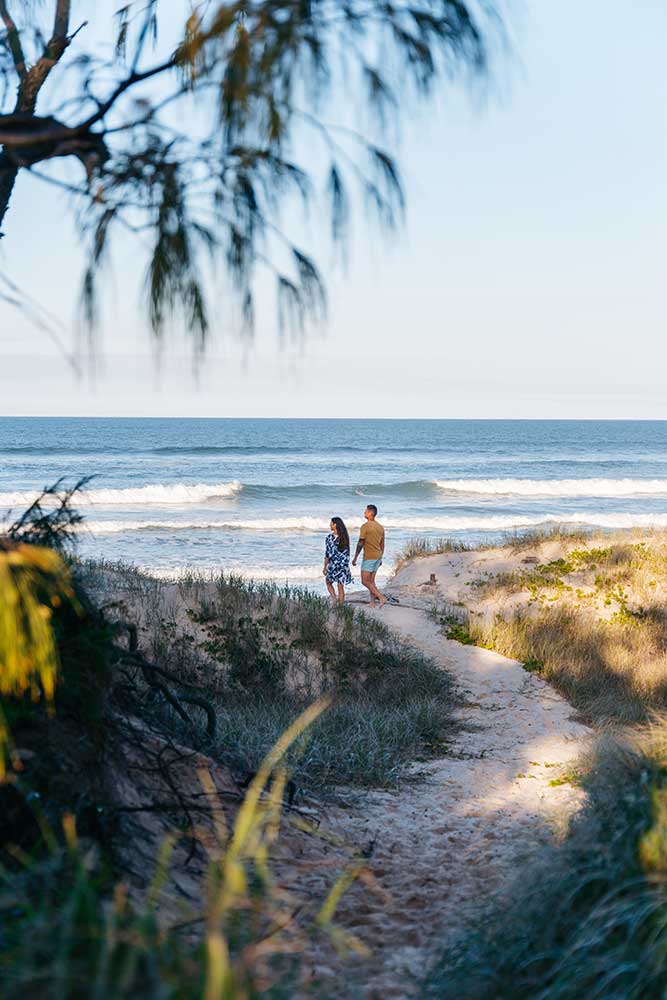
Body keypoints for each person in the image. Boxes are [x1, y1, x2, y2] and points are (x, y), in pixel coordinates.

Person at [352, 504, 387, 608]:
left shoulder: (365, 526)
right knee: (371, 581)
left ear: (371, 513)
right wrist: (381, 557)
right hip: (378, 556)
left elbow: (361, 543)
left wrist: (355, 557)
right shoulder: (380, 527)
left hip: (369, 557)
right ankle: (372, 603)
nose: (364, 513)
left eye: (366, 511)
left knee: (364, 581)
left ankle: (381, 597)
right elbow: (382, 544)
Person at [323, 516, 353, 604]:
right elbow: (347, 553)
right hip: (343, 565)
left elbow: (328, 553)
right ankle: (341, 605)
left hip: (333, 564)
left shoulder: (329, 537)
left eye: (331, 523)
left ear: (335, 525)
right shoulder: (345, 537)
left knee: (328, 582)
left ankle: (334, 599)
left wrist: (325, 567)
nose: (330, 525)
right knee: (340, 586)